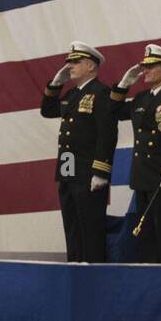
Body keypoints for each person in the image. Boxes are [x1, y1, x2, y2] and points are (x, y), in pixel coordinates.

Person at [110, 45, 161, 262]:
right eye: (144, 66)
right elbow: (113, 111)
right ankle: (148, 273)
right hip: (142, 173)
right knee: (145, 229)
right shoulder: (140, 98)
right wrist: (123, 85)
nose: (145, 71)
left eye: (151, 66)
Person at [40, 41, 118, 262]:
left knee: (90, 228)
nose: (70, 66)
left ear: (91, 66)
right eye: (69, 62)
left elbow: (107, 134)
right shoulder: (72, 94)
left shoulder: (102, 93)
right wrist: (55, 84)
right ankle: (74, 265)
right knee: (72, 226)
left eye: (75, 62)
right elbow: (47, 110)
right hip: (68, 169)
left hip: (88, 172)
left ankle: (93, 272)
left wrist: (101, 171)